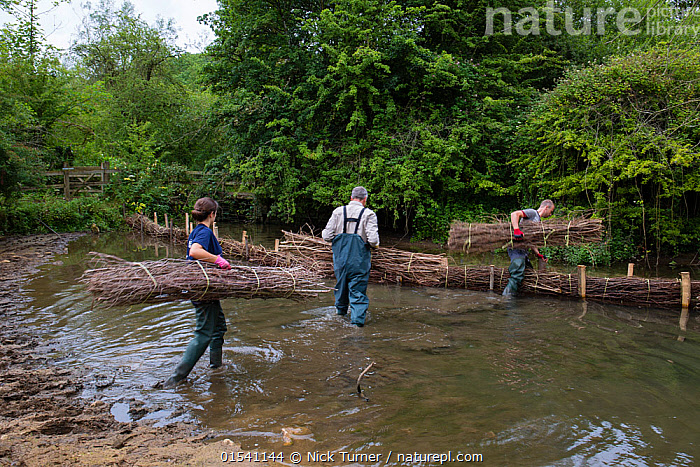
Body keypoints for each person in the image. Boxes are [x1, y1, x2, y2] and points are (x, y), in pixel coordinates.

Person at [162, 197, 232, 388]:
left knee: (218, 328)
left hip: (205, 288)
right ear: (212, 214)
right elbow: (195, 252)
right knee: (204, 333)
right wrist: (218, 260)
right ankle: (175, 379)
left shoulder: (197, 230)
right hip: (202, 290)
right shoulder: (204, 232)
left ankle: (216, 368)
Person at [322, 186, 380, 327]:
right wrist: (375, 247)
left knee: (341, 288)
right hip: (359, 261)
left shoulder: (338, 212)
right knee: (357, 291)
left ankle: (340, 316)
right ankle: (357, 325)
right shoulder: (369, 214)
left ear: (351, 198)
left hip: (340, 260)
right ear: (365, 199)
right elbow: (373, 241)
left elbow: (326, 236)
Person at [502, 199, 555, 296]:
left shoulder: (538, 221)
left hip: (524, 251)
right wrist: (516, 230)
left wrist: (538, 254)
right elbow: (514, 214)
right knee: (517, 275)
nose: (550, 214)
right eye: (551, 211)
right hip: (517, 248)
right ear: (546, 207)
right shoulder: (533, 213)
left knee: (529, 272)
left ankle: (521, 296)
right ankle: (506, 299)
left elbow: (531, 242)